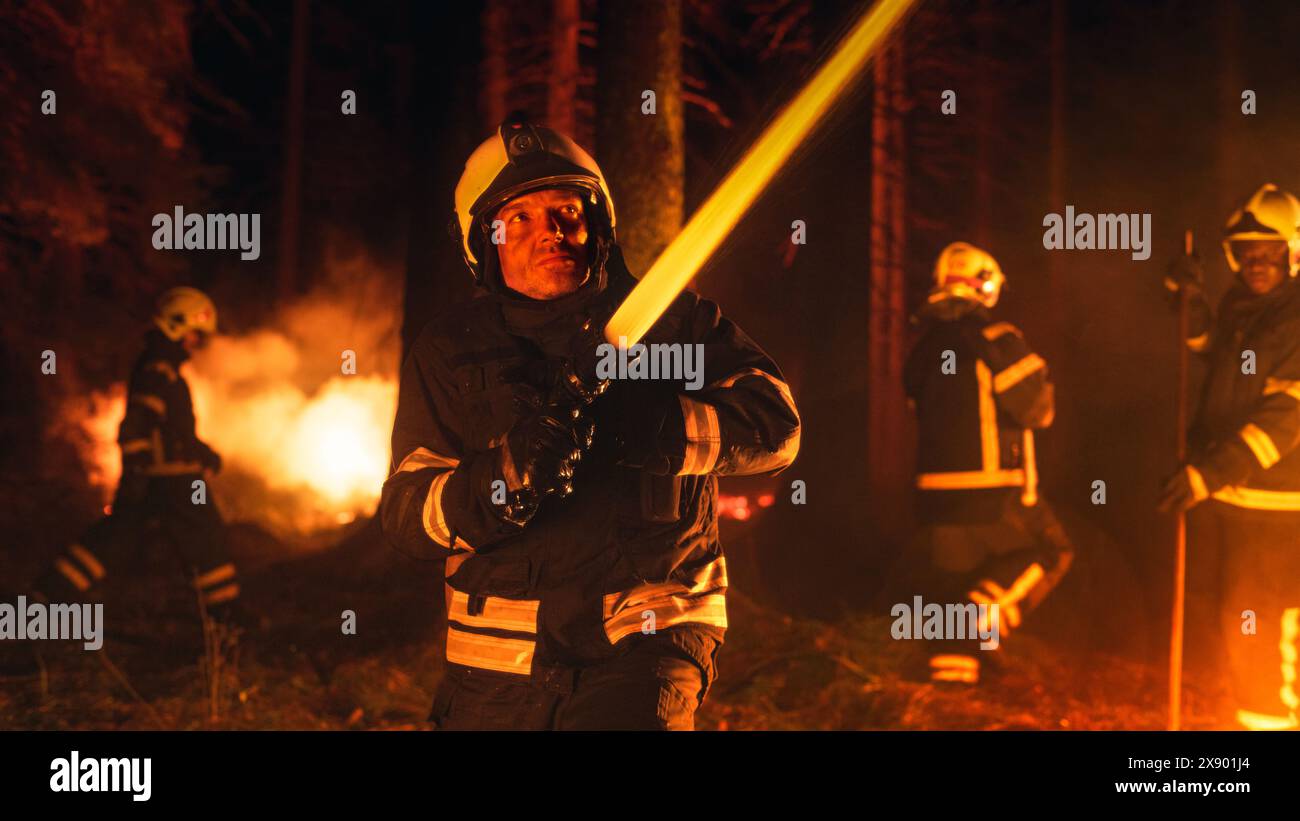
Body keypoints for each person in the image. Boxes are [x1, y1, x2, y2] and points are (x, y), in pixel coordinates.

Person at [379, 118, 801, 729]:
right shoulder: (450, 351)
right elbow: (406, 513)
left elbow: (776, 427)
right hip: (496, 672)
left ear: (596, 223)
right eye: (519, 217)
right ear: (484, 240)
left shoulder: (671, 325)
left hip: (644, 642)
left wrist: (649, 425)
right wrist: (503, 480)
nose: (549, 230)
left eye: (566, 211)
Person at [1159, 183, 1300, 729]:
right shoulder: (1244, 307)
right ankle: (1260, 721)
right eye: (1245, 252)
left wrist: (1206, 473)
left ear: (1293, 251)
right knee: (1241, 619)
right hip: (1240, 494)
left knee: (1268, 621)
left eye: (1268, 252)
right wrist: (1189, 302)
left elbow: (1286, 418)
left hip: (1285, 501)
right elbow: (1216, 355)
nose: (1256, 263)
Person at [902, 242, 1073, 685]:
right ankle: (980, 617)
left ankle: (952, 693)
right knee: (1052, 552)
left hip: (935, 498)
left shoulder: (921, 350)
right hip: (996, 490)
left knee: (957, 582)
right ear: (986, 284)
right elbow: (1038, 409)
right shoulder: (997, 339)